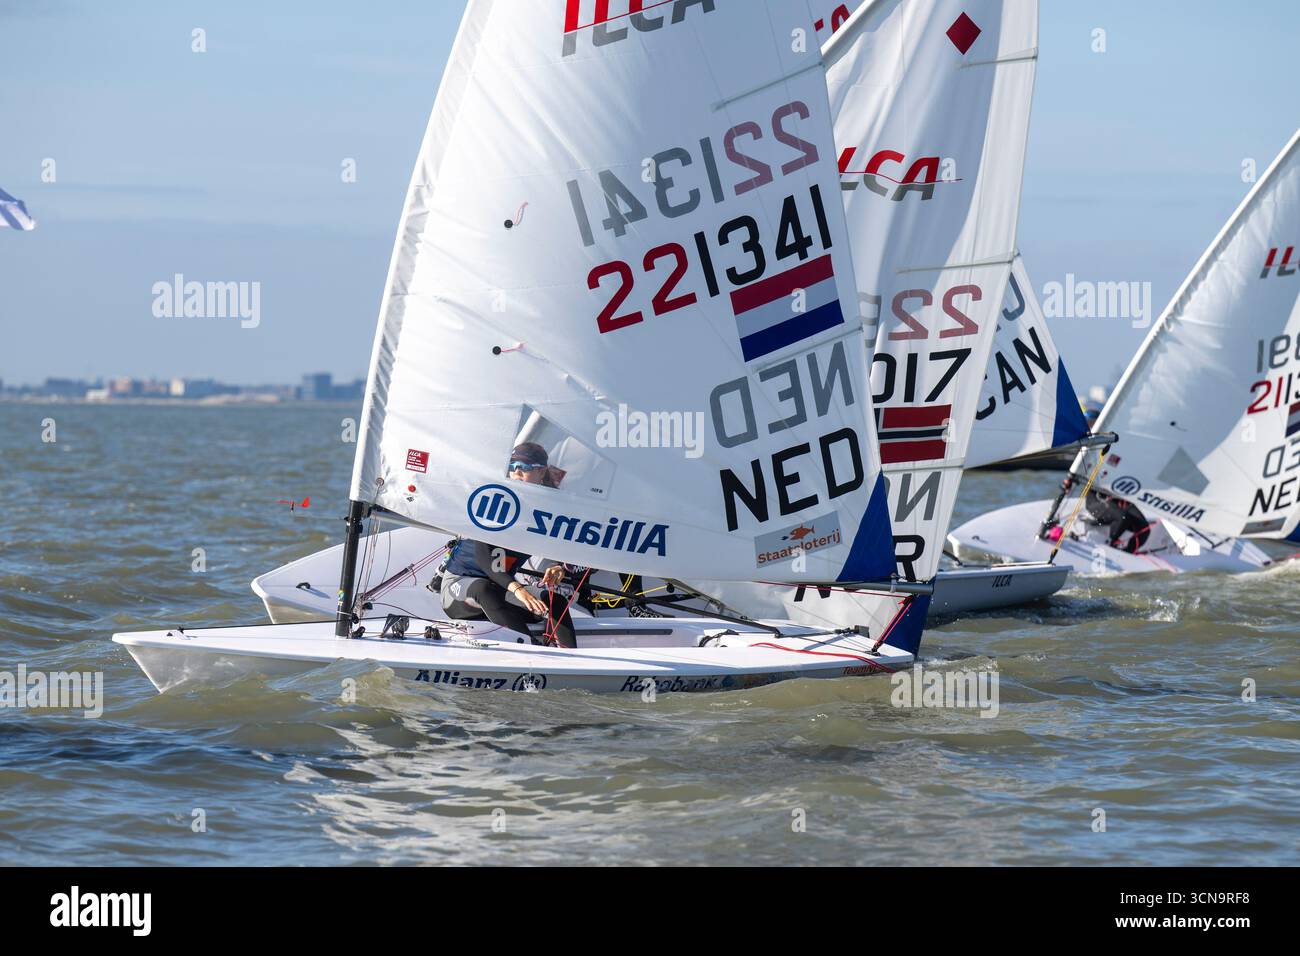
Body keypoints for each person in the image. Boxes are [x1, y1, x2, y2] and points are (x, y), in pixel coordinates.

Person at [439, 443, 577, 647]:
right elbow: (486, 561)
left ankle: (571, 662)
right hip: (460, 587)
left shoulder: (547, 512)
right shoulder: (494, 503)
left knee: (555, 601)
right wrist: (519, 590)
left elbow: (572, 548)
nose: (517, 471)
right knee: (484, 588)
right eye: (512, 466)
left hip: (503, 590)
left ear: (542, 471)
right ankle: (532, 652)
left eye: (525, 466)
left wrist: (560, 566)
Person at [1084, 489, 1149, 553]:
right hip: (1098, 498)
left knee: (1144, 527)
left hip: (1121, 499)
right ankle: (1110, 543)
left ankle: (1128, 553)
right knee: (1122, 517)